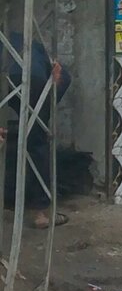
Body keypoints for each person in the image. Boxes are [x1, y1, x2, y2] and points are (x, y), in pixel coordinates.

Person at [3, 34, 71, 228]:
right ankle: (39, 213)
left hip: (14, 76)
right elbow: (60, 74)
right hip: (33, 78)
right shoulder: (30, 43)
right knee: (37, 141)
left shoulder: (16, 41)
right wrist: (46, 108)